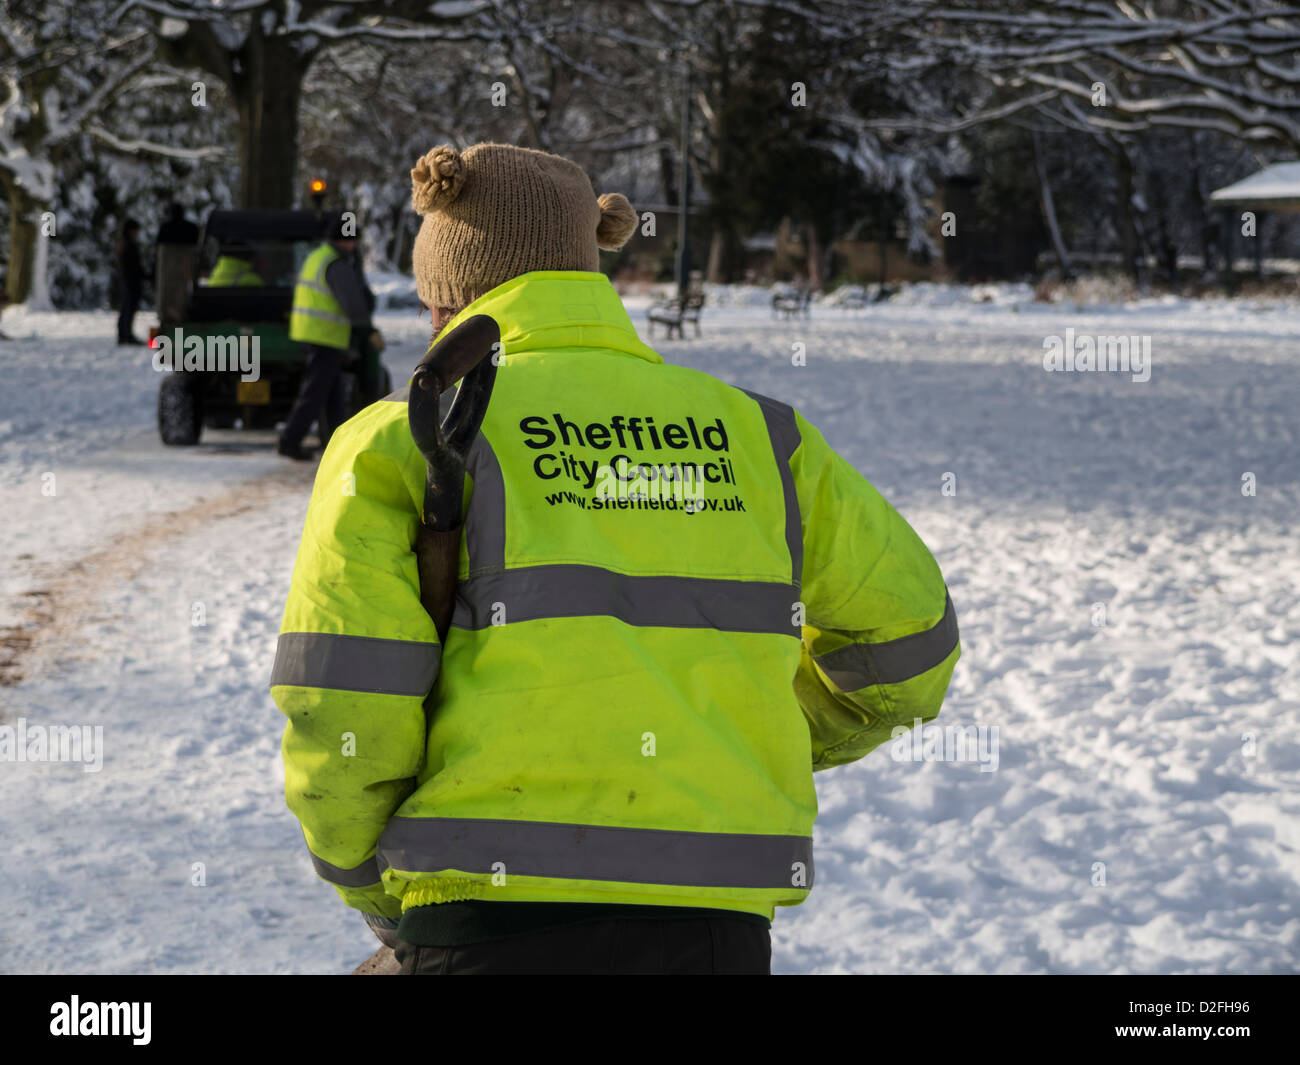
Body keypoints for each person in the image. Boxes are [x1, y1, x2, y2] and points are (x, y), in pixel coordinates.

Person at [271, 143, 960, 974]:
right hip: (714, 936)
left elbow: (346, 701)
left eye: (429, 306)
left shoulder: (396, 441)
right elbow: (911, 645)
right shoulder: (763, 438)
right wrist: (722, 736)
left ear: (452, 299)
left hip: (483, 930)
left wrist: (372, 884)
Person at [277, 215, 372, 460]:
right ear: (347, 241)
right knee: (316, 392)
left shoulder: (318, 257)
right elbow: (353, 303)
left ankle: (334, 445)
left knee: (333, 394)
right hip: (324, 337)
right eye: (354, 241)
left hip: (315, 334)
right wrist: (366, 329)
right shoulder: (337, 265)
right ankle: (290, 440)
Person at [115, 218, 146, 344]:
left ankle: (125, 334)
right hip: (130, 280)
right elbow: (131, 264)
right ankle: (125, 335)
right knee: (128, 307)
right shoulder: (128, 245)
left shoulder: (126, 244)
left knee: (128, 308)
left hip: (129, 279)